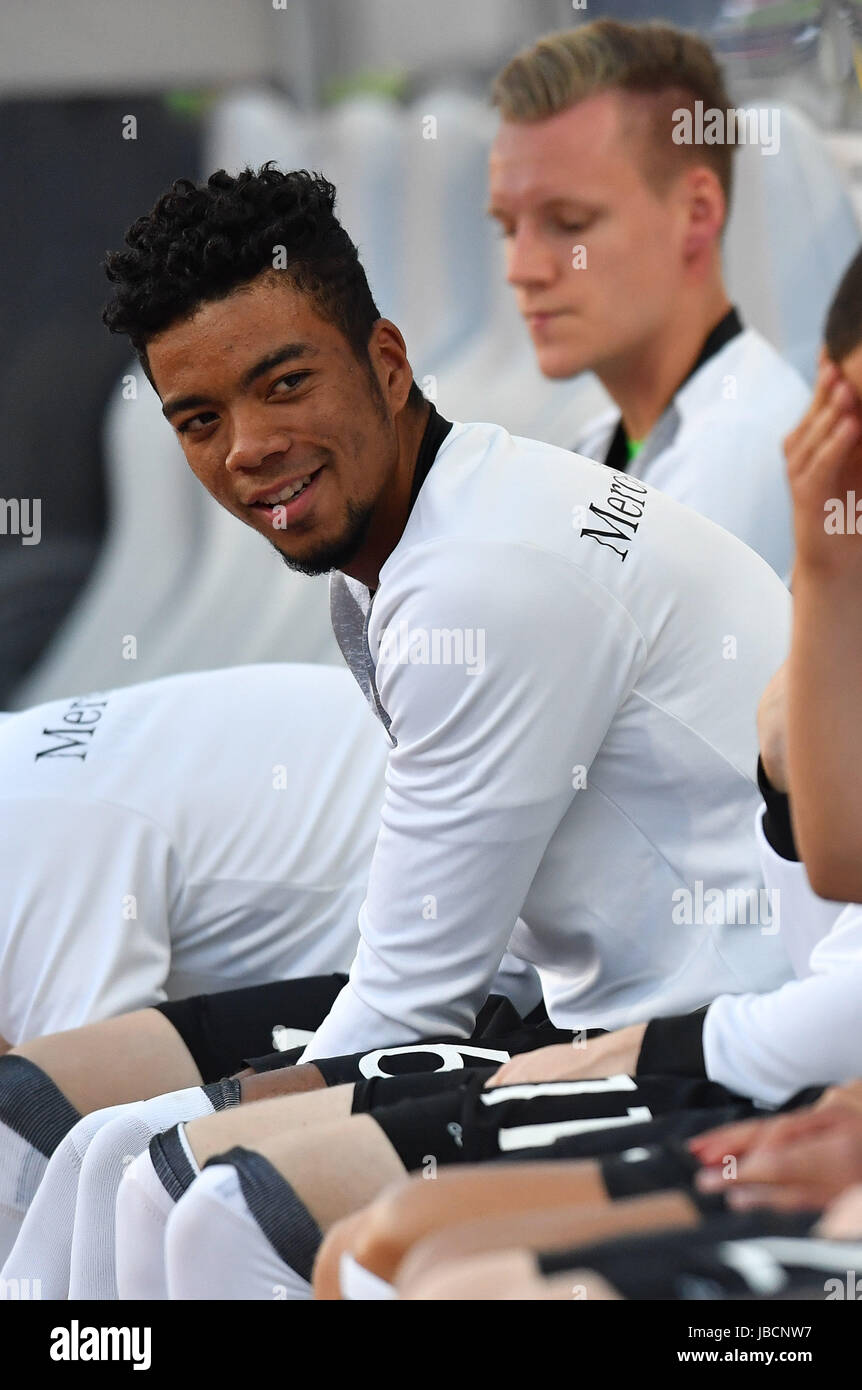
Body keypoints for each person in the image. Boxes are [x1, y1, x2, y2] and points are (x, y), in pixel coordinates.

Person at [0, 160, 788, 1300]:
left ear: (386, 360)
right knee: (67, 1130)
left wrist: (240, 1110)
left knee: (207, 1197)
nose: (248, 449)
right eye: (200, 420)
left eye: (283, 384)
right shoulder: (411, 544)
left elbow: (412, 1000)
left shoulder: (476, 581)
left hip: (715, 1045)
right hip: (573, 998)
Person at [489, 19, 810, 579]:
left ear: (697, 214)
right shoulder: (604, 443)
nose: (523, 271)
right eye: (509, 229)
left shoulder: (739, 454)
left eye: (568, 223)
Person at [0, 663, 387, 1050]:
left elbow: (99, 1082)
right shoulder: (18, 763)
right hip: (406, 773)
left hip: (404, 899)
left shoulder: (17, 852)